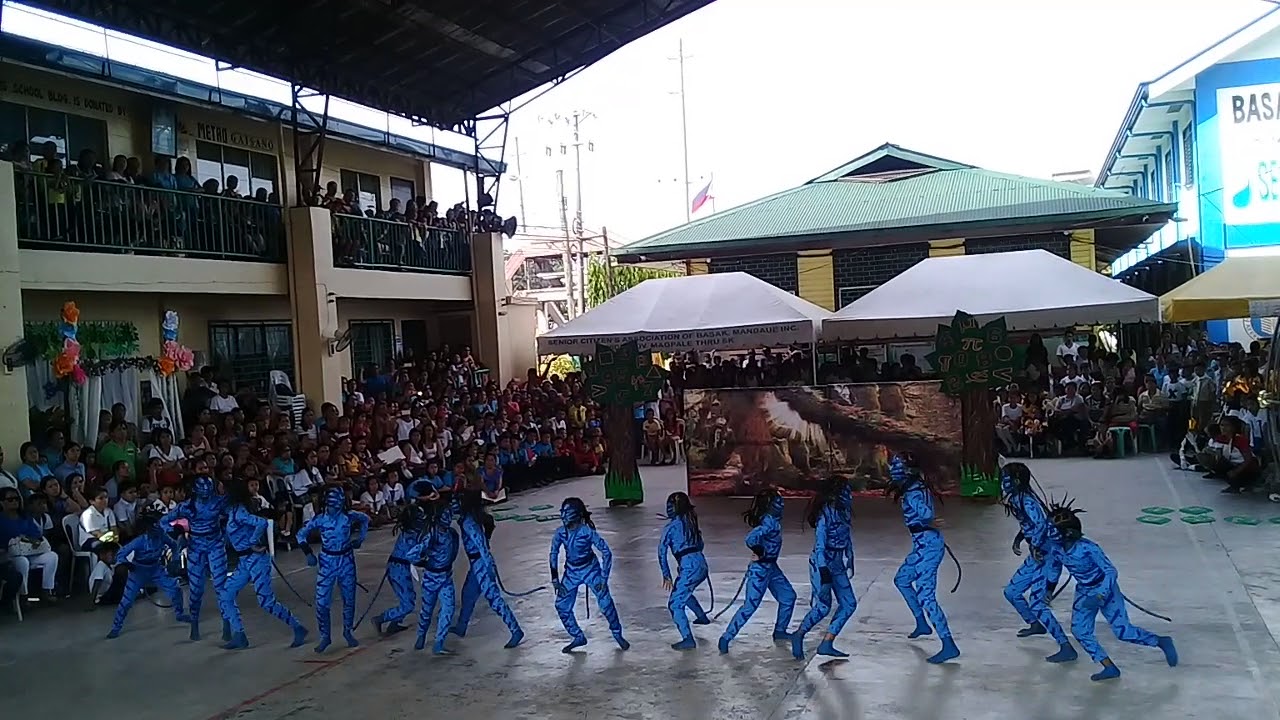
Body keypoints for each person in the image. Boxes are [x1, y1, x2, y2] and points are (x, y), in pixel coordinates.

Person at [1048, 499, 1177, 681]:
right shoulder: (1056, 549)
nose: (1049, 532)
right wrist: (1048, 590)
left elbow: (1110, 571)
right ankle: (1108, 666)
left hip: (1106, 590)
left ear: (1068, 533)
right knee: (1080, 631)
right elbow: (1054, 568)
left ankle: (1161, 641)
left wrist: (1101, 593)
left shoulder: (1088, 548)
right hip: (1084, 591)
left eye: (1053, 529)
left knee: (1123, 631)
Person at [218, 479, 309, 650]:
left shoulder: (239, 512)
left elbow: (261, 523)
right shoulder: (234, 510)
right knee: (226, 594)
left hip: (256, 559)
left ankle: (298, 627)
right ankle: (239, 634)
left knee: (266, 602)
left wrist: (253, 541)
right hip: (245, 561)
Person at [998, 463, 1075, 662]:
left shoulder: (1027, 500)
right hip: (1036, 555)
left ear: (1015, 481)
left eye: (1005, 478)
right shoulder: (1017, 499)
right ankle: (1035, 624)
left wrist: (1037, 545)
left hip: (1046, 555)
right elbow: (1029, 525)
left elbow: (1041, 524)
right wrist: (1020, 538)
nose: (1002, 482)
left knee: (1038, 603)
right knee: (1011, 592)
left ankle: (1065, 645)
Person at [888, 453, 959, 664]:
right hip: (922, 545)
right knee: (902, 579)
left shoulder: (913, 493)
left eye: (896, 467)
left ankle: (948, 644)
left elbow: (926, 513)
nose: (893, 471)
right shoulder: (915, 487)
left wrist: (929, 521)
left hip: (928, 546)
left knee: (926, 595)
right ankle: (922, 622)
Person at [718, 488, 796, 654]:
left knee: (788, 596)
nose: (782, 504)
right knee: (750, 605)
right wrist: (759, 551)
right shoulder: (769, 522)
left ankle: (780, 631)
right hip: (760, 570)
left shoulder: (773, 520)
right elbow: (751, 538)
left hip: (771, 568)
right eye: (778, 501)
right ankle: (726, 637)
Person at [549, 496, 628, 652]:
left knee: (605, 603)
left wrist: (604, 578)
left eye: (567, 512)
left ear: (577, 514)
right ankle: (578, 636)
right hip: (571, 571)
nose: (563, 515)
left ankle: (617, 633)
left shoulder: (586, 531)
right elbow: (553, 553)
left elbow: (606, 552)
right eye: (562, 512)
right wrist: (555, 580)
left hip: (590, 569)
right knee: (561, 605)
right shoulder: (560, 533)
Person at [791, 476, 857, 660]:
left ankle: (827, 642)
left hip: (837, 563)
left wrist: (850, 555)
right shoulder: (825, 514)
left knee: (849, 603)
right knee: (822, 607)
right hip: (823, 563)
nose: (849, 494)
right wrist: (824, 572)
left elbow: (846, 534)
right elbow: (820, 545)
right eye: (845, 490)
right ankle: (799, 634)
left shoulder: (843, 512)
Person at [299, 486, 370, 653]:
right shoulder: (320, 520)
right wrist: (308, 553)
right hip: (327, 561)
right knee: (322, 602)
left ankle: (347, 630)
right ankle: (325, 636)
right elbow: (300, 535)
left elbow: (366, 519)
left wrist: (360, 539)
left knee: (349, 599)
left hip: (346, 559)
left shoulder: (348, 516)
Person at [449, 490, 524, 648]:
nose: (453, 505)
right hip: (477, 564)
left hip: (481, 564)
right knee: (468, 595)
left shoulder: (469, 521)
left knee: (494, 599)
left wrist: (488, 567)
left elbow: (482, 546)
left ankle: (516, 630)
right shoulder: (468, 519)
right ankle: (461, 627)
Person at [161, 475, 230, 642]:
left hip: (215, 544)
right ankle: (194, 625)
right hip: (196, 547)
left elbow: (235, 515)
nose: (206, 490)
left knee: (221, 587)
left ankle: (227, 625)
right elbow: (163, 522)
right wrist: (175, 536)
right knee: (196, 589)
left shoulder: (219, 502)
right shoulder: (186, 507)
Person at [106, 501, 188, 638]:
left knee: (175, 589)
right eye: (157, 524)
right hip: (138, 571)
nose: (160, 526)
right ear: (149, 527)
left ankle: (179, 614)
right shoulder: (139, 541)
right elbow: (121, 553)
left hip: (156, 569)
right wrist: (127, 564)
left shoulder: (163, 536)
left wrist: (174, 561)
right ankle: (116, 626)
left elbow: (174, 546)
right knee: (126, 602)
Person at [657, 491, 711, 650]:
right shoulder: (691, 522)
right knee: (683, 591)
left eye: (670, 505)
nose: (668, 508)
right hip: (700, 563)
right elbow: (700, 544)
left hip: (688, 566)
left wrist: (666, 574)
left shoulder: (670, 527)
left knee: (675, 604)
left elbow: (661, 552)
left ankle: (688, 639)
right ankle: (702, 617)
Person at [408, 496, 459, 654]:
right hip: (431, 578)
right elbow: (412, 554)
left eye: (449, 514)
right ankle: (421, 635)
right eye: (444, 514)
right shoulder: (431, 534)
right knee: (427, 610)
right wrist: (423, 562)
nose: (448, 518)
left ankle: (439, 642)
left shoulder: (452, 534)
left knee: (448, 609)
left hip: (445, 577)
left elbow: (454, 552)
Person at [372, 503, 430, 636]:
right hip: (398, 569)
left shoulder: (411, 532)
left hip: (398, 567)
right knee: (408, 604)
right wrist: (427, 563)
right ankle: (381, 619)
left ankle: (395, 623)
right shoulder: (412, 535)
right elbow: (414, 557)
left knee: (409, 598)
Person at [0, 486, 59, 605]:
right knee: (23, 562)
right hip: (10, 554)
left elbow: (36, 534)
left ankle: (47, 591)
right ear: (2, 502)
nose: (15, 501)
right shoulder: (1, 519)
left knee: (52, 556)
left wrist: (31, 540)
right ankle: (23, 596)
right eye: (10, 499)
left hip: (29, 551)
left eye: (16, 498)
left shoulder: (24, 517)